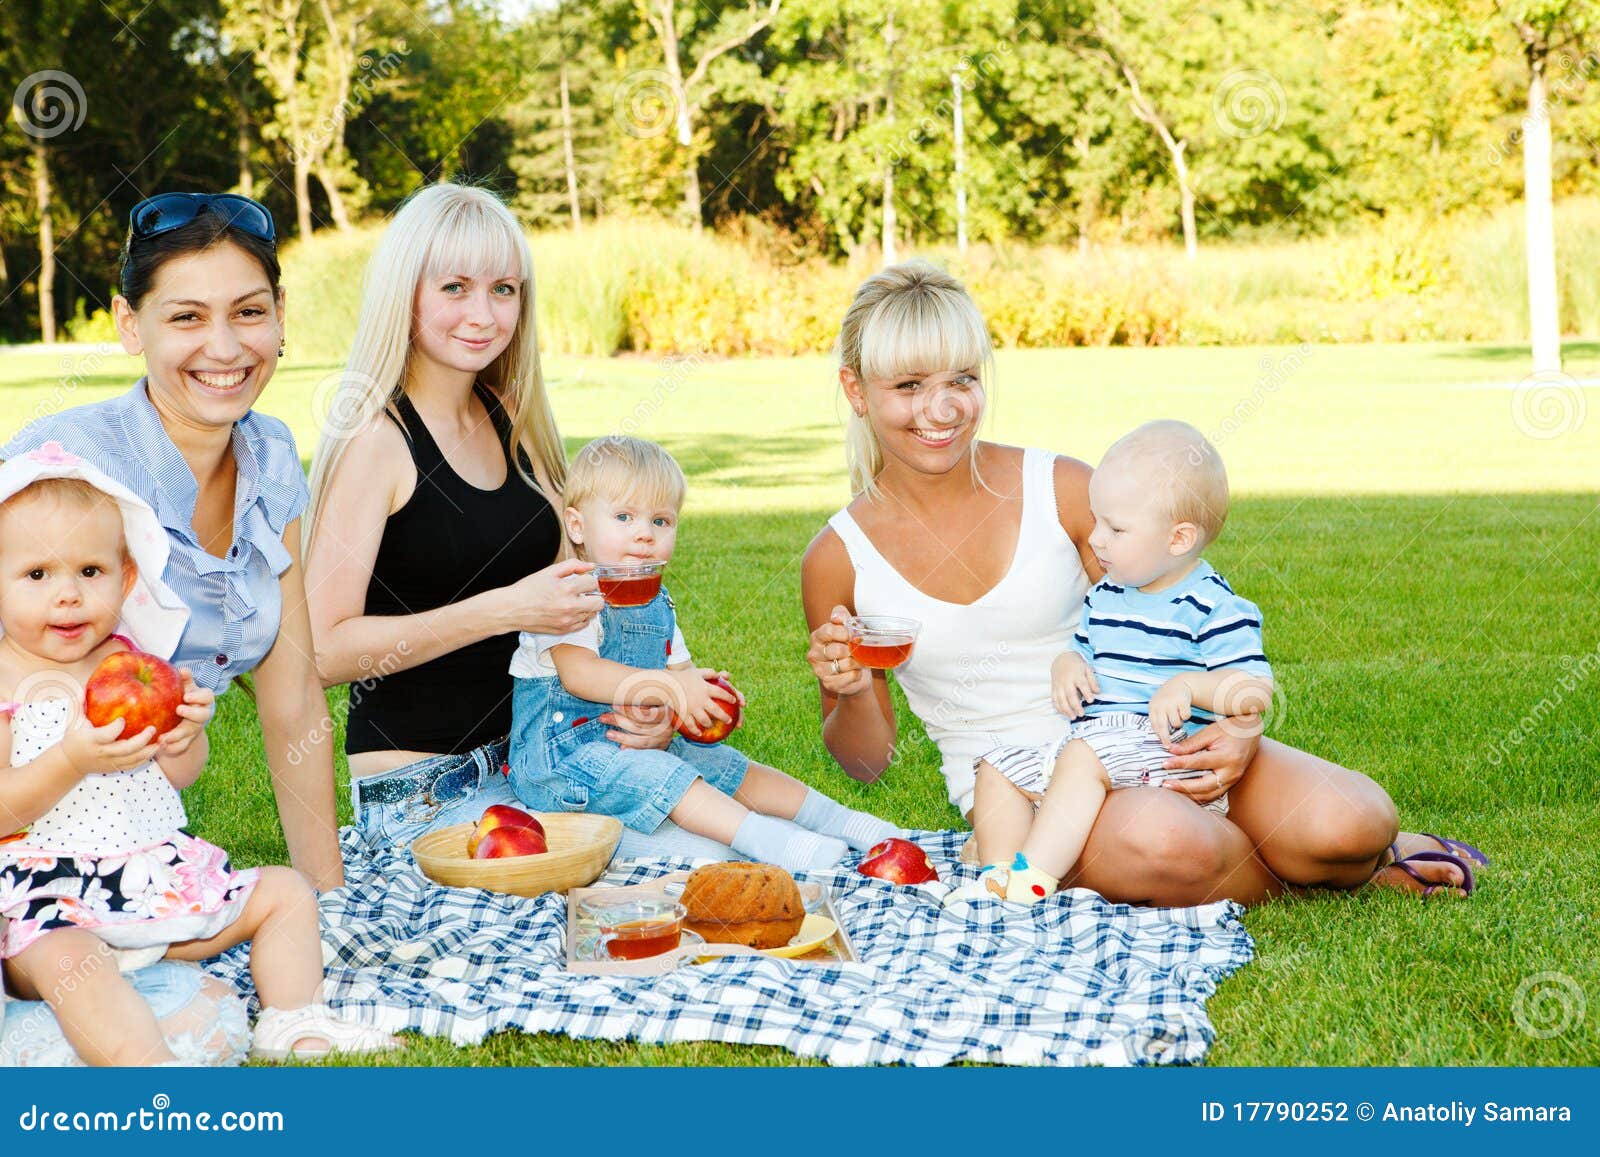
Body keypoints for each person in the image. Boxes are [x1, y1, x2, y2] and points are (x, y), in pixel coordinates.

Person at [801, 260, 1488, 906]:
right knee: (1157, 839)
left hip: (1154, 732)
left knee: (1353, 819)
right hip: (1024, 792)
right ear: (856, 390)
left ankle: (1363, 854)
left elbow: (1173, 607)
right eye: (910, 385)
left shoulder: (1062, 487)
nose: (943, 408)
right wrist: (852, 688)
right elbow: (866, 762)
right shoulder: (838, 557)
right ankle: (1325, 880)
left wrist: (1236, 727)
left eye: (963, 378)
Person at [304, 184, 728, 861]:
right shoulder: (375, 443)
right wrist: (501, 609)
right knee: (689, 870)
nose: (483, 313)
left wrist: (643, 701)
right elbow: (320, 651)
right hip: (426, 794)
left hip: (544, 758)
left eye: (504, 289)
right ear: (403, 293)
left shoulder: (511, 417)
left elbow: (578, 604)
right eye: (455, 287)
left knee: (727, 847)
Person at [0, 449, 395, 1064]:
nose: (68, 597)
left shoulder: (130, 664)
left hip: (153, 885)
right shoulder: (4, 684)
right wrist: (69, 760)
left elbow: (178, 778)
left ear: (127, 579)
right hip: (51, 907)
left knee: (286, 893)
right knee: (74, 963)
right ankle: (151, 1072)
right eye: (36, 576)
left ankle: (294, 1022)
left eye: (89, 571)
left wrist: (185, 735)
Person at [0, 192, 343, 891]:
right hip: (33, 849)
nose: (225, 347)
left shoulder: (273, 456)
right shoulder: (65, 462)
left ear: (280, 316)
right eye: (186, 316)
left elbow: (295, 703)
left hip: (137, 842)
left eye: (249, 312)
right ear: (131, 324)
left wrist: (328, 899)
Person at [508, 437, 897, 872]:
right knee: (671, 780)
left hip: (635, 747)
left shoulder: (657, 603)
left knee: (727, 766)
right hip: (563, 763)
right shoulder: (567, 595)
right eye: (623, 516)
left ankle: (845, 822)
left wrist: (704, 705)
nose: (644, 533)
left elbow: (682, 673)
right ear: (577, 526)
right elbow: (580, 674)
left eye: (661, 520)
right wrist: (672, 689)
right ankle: (776, 844)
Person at [948, 421, 1282, 907]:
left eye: (1116, 528)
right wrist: (1067, 663)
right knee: (994, 768)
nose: (1097, 540)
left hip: (1164, 750)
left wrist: (1189, 687)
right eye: (1097, 521)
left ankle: (1031, 881)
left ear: (1178, 539)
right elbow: (1083, 648)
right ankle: (997, 880)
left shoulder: (1211, 606)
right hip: (1094, 744)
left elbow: (1254, 690)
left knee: (1081, 758)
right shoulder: (1107, 596)